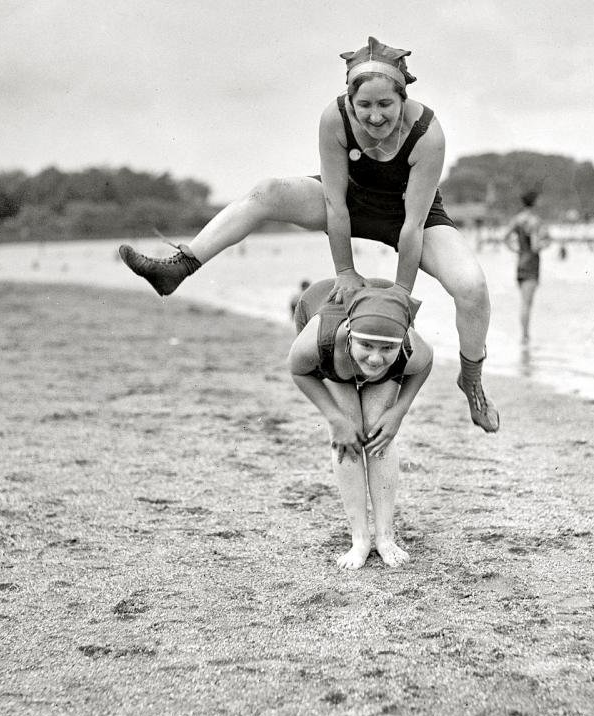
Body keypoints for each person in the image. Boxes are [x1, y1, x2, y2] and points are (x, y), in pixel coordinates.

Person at [117, 37, 499, 433]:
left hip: (410, 215)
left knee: (472, 287)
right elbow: (335, 204)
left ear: (402, 98)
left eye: (385, 104)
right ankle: (179, 267)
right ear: (349, 101)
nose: (374, 116)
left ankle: (472, 377)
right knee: (269, 192)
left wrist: (402, 292)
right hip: (349, 201)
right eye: (363, 105)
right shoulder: (334, 118)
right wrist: (346, 273)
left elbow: (412, 226)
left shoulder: (427, 133)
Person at [288, 278, 433, 569]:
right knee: (348, 432)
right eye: (366, 345)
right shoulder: (320, 339)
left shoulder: (409, 346)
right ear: (351, 334)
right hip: (330, 339)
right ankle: (360, 539)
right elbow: (298, 370)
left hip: (385, 308)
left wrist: (399, 412)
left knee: (378, 430)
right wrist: (334, 417)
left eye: (386, 350)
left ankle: (385, 537)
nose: (376, 358)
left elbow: (425, 365)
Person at [501, 189, 550, 344]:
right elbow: (535, 246)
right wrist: (545, 244)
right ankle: (525, 336)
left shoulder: (518, 219)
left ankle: (524, 335)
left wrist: (516, 250)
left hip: (520, 263)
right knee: (527, 304)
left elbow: (505, 238)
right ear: (534, 202)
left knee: (523, 302)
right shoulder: (535, 221)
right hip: (532, 265)